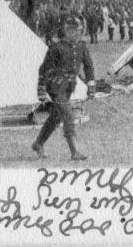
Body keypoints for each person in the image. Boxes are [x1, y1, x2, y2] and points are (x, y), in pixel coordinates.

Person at [32, 17, 96, 160]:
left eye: (78, 30)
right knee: (68, 115)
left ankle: (38, 143)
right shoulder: (56, 48)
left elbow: (89, 66)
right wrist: (41, 89)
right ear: (66, 31)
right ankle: (75, 152)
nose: (76, 34)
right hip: (54, 87)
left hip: (68, 87)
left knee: (56, 117)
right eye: (72, 31)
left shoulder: (82, 46)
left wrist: (91, 85)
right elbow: (44, 69)